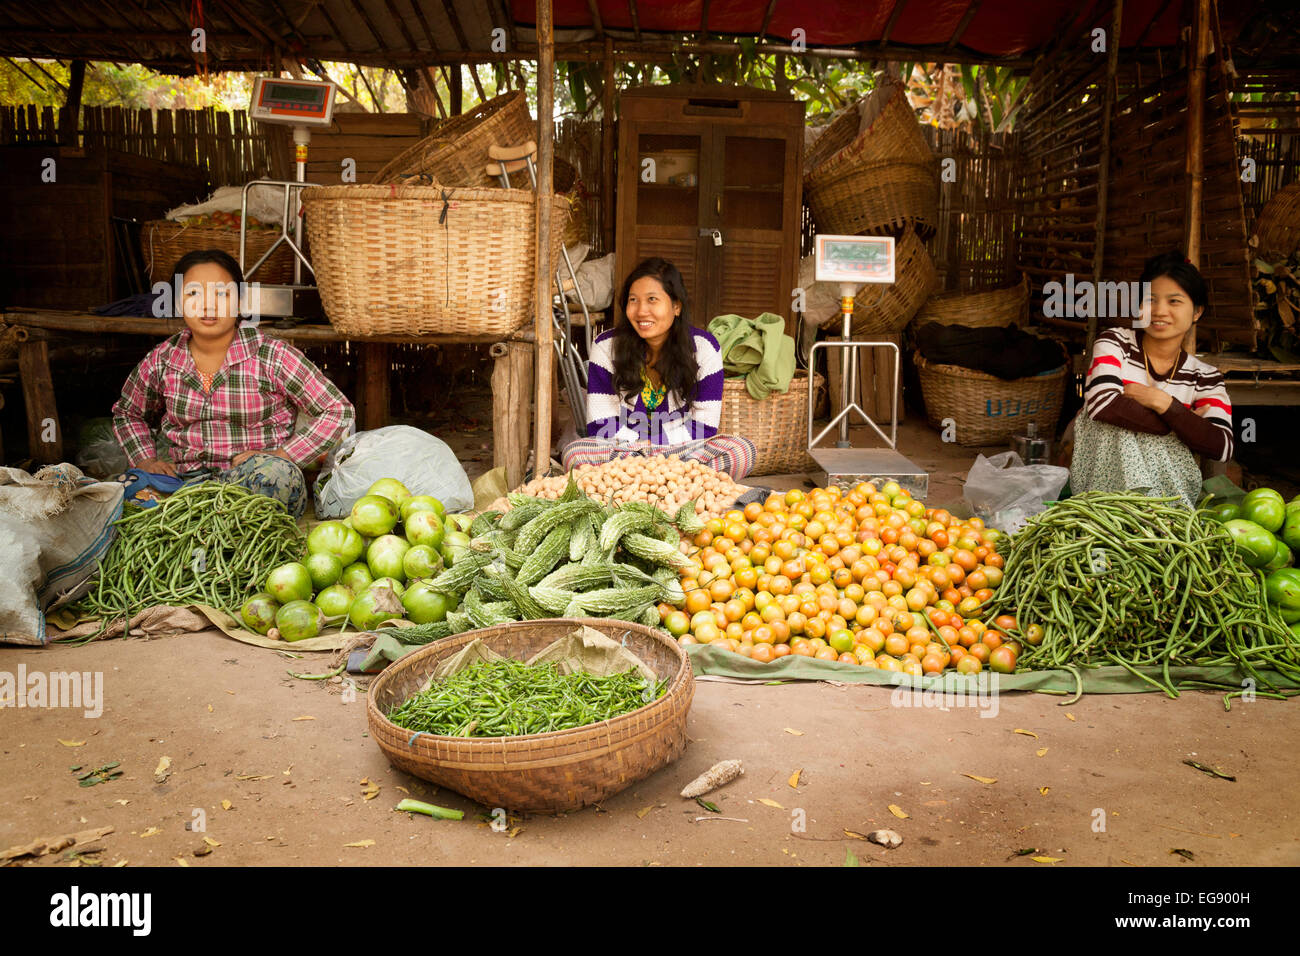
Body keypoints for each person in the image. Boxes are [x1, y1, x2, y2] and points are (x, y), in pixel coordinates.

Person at [112, 249, 354, 518]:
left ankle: (202, 525)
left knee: (277, 476)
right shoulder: (163, 359)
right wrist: (146, 460)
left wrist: (285, 454)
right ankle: (197, 521)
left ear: (239, 302)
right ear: (178, 302)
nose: (207, 304)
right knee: (127, 490)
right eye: (193, 293)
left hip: (252, 484)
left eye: (221, 294)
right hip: (183, 484)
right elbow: (128, 413)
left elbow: (337, 410)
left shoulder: (272, 355)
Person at [562, 257, 757, 480]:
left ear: (676, 306)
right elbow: (600, 424)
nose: (641, 311)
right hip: (624, 452)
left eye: (652, 299)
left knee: (741, 450)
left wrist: (656, 447)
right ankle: (676, 484)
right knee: (575, 454)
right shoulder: (606, 347)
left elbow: (704, 427)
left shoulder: (704, 348)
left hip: (680, 452)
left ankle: (631, 487)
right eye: (633, 300)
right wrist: (639, 449)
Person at [1071, 251, 1233, 509]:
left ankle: (1152, 518)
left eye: (1174, 301)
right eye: (1150, 300)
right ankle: (1132, 515)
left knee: (1126, 422)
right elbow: (1103, 405)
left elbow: (1221, 445)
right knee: (1113, 427)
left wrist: (1163, 402)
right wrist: (1182, 421)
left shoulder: (1206, 377)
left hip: (1170, 491)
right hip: (1101, 493)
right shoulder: (1115, 343)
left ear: (1197, 312)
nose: (1159, 311)